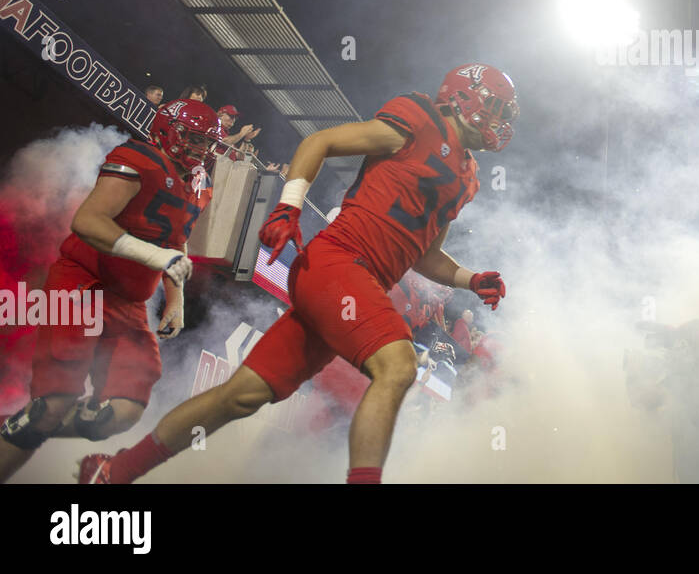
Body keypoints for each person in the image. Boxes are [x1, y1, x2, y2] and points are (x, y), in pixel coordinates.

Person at [80, 64, 517, 484]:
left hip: (352, 285)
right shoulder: (419, 119)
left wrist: (469, 279)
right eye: (497, 107)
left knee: (238, 397)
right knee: (398, 366)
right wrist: (289, 205)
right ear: (464, 98)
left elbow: (426, 255)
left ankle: (114, 471)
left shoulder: (468, 176)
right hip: (338, 262)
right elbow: (321, 141)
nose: (500, 121)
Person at [0, 100, 219, 481]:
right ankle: (32, 423)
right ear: (168, 129)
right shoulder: (138, 157)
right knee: (54, 404)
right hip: (85, 281)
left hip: (131, 302)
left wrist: (176, 297)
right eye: (193, 138)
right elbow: (87, 221)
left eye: (206, 142)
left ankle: (22, 425)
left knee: (122, 412)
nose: (201, 149)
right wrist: (154, 256)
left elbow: (176, 241)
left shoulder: (200, 182)